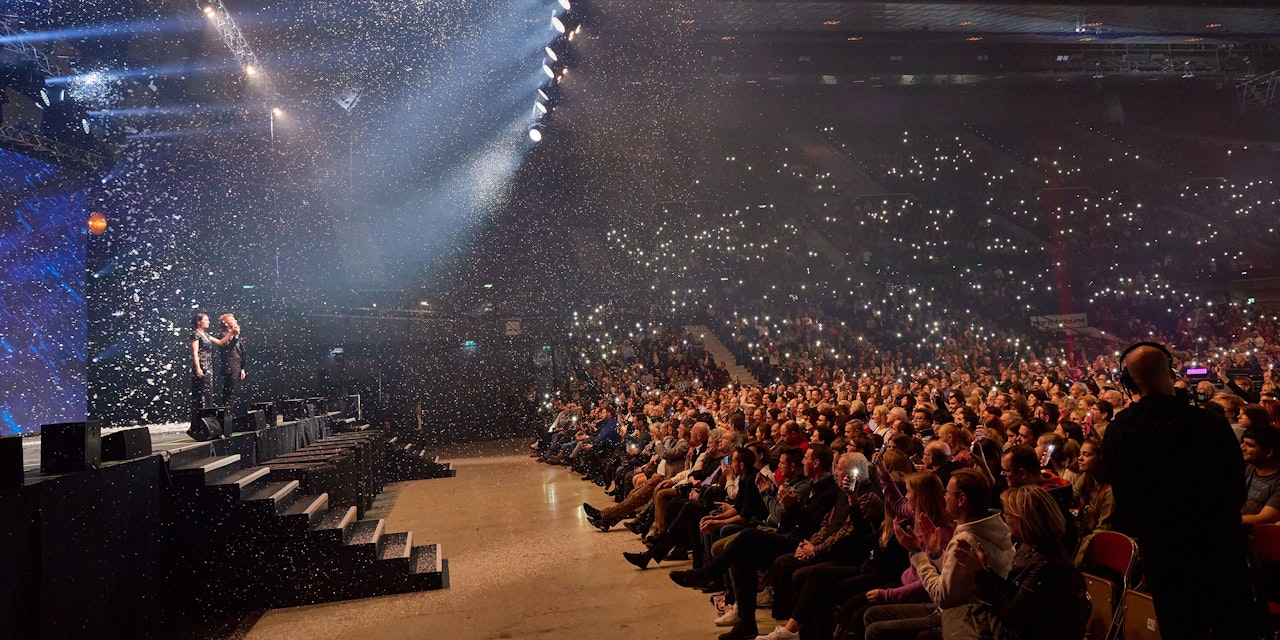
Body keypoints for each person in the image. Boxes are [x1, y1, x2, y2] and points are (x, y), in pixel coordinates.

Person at [1104, 342, 1269, 640]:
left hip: (1164, 557)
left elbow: (1124, 498)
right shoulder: (1210, 423)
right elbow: (1235, 489)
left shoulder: (1118, 430)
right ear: (1171, 371)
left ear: (1128, 382)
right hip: (1220, 551)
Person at [952, 485, 1090, 640]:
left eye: (1007, 514)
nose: (1004, 518)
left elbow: (1014, 617)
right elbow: (1015, 592)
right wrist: (984, 569)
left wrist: (980, 574)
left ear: (1024, 521)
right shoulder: (1031, 547)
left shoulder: (1048, 566)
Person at [188, 313, 235, 437]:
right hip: (202, 367)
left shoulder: (206, 335)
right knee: (201, 396)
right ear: (199, 322)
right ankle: (198, 426)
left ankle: (207, 426)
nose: (208, 322)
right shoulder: (196, 334)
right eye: (206, 320)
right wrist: (198, 368)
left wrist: (231, 333)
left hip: (208, 367)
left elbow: (220, 342)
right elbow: (194, 352)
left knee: (208, 395)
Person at [1241, 426, 1280, 529]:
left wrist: (1224, 519)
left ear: (1268, 452)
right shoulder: (1247, 465)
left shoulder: (1277, 480)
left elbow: (1263, 519)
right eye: (1243, 442)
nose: (1242, 447)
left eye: (1249, 445)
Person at [218, 313, 247, 412]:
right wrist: (235, 337)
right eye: (233, 319)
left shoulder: (234, 336)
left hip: (237, 368)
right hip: (230, 368)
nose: (236, 321)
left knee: (236, 393)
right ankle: (227, 416)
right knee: (230, 394)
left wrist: (242, 368)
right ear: (226, 324)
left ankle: (234, 415)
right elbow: (227, 349)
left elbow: (240, 353)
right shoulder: (223, 335)